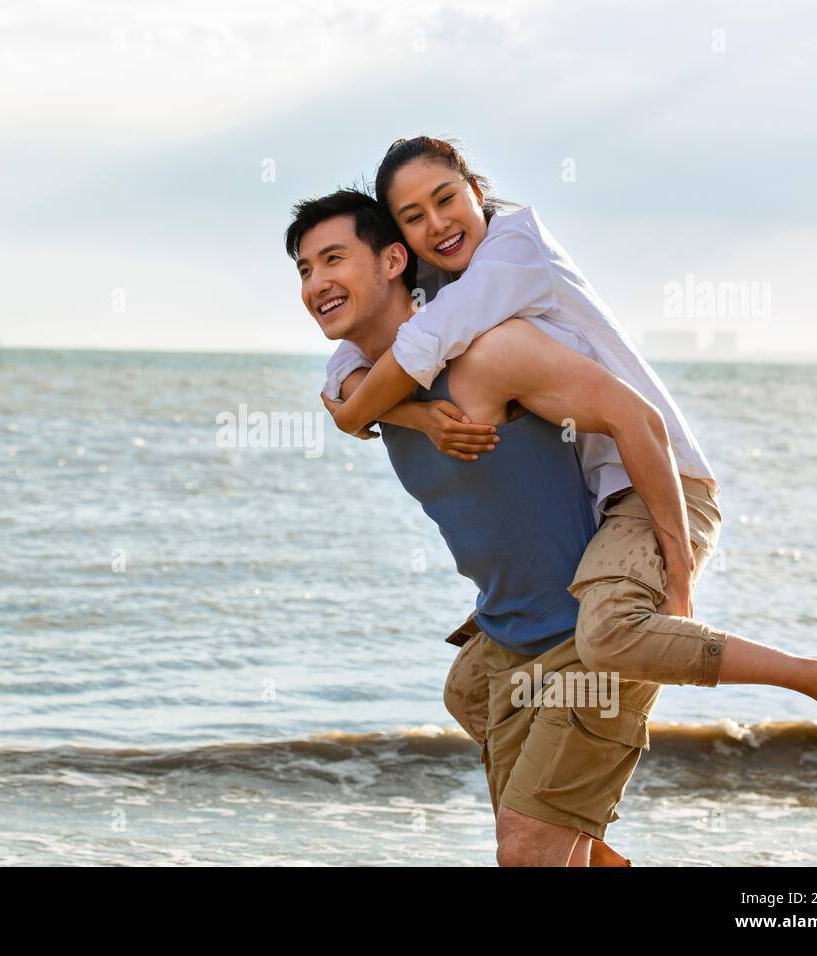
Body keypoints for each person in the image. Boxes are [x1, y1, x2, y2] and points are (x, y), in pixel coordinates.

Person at [318, 137, 817, 775]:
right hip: (604, 494)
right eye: (413, 217)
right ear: (399, 239)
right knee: (469, 689)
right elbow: (346, 366)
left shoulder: (512, 252)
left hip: (656, 475)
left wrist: (679, 582)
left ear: (476, 192)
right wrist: (415, 415)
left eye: (446, 199)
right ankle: (581, 841)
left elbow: (412, 349)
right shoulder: (441, 277)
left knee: (608, 634)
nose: (437, 224)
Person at [289, 189, 683, 865]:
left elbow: (639, 421)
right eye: (302, 269)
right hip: (516, 640)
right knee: (546, 838)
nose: (316, 281)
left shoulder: (486, 346)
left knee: (525, 848)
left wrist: (680, 582)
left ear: (392, 260)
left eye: (332, 259)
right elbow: (349, 402)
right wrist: (405, 416)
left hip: (586, 630)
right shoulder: (363, 382)